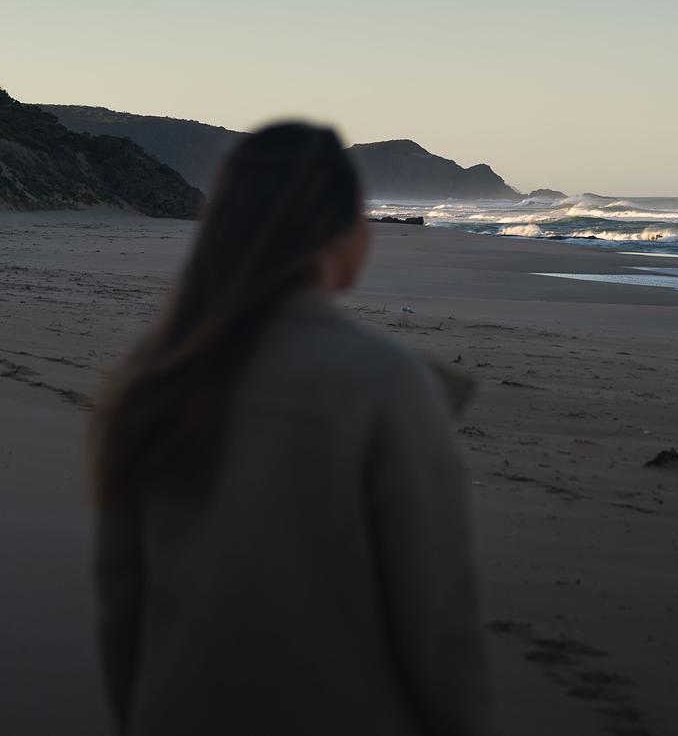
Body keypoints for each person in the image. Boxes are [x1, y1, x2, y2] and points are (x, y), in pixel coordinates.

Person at [89, 123, 489, 736]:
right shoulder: (386, 383)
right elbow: (438, 623)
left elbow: (122, 606)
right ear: (340, 229)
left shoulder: (155, 376)